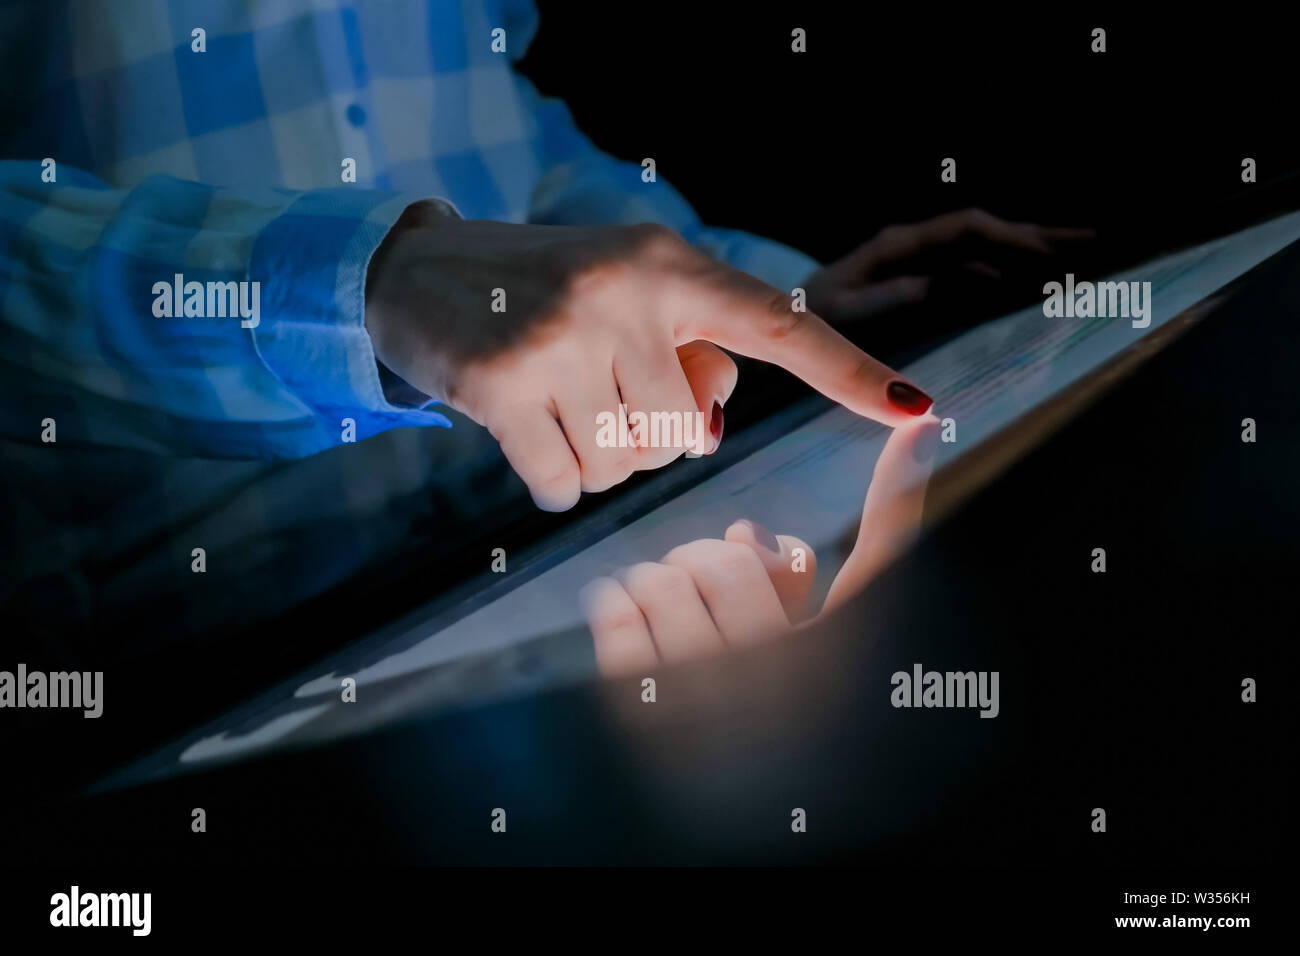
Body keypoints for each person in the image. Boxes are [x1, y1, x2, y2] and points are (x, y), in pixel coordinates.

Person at [0, 0, 1080, 653]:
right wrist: (365, 286)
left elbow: (496, 128)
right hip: (156, 667)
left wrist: (756, 304)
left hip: (512, 582)